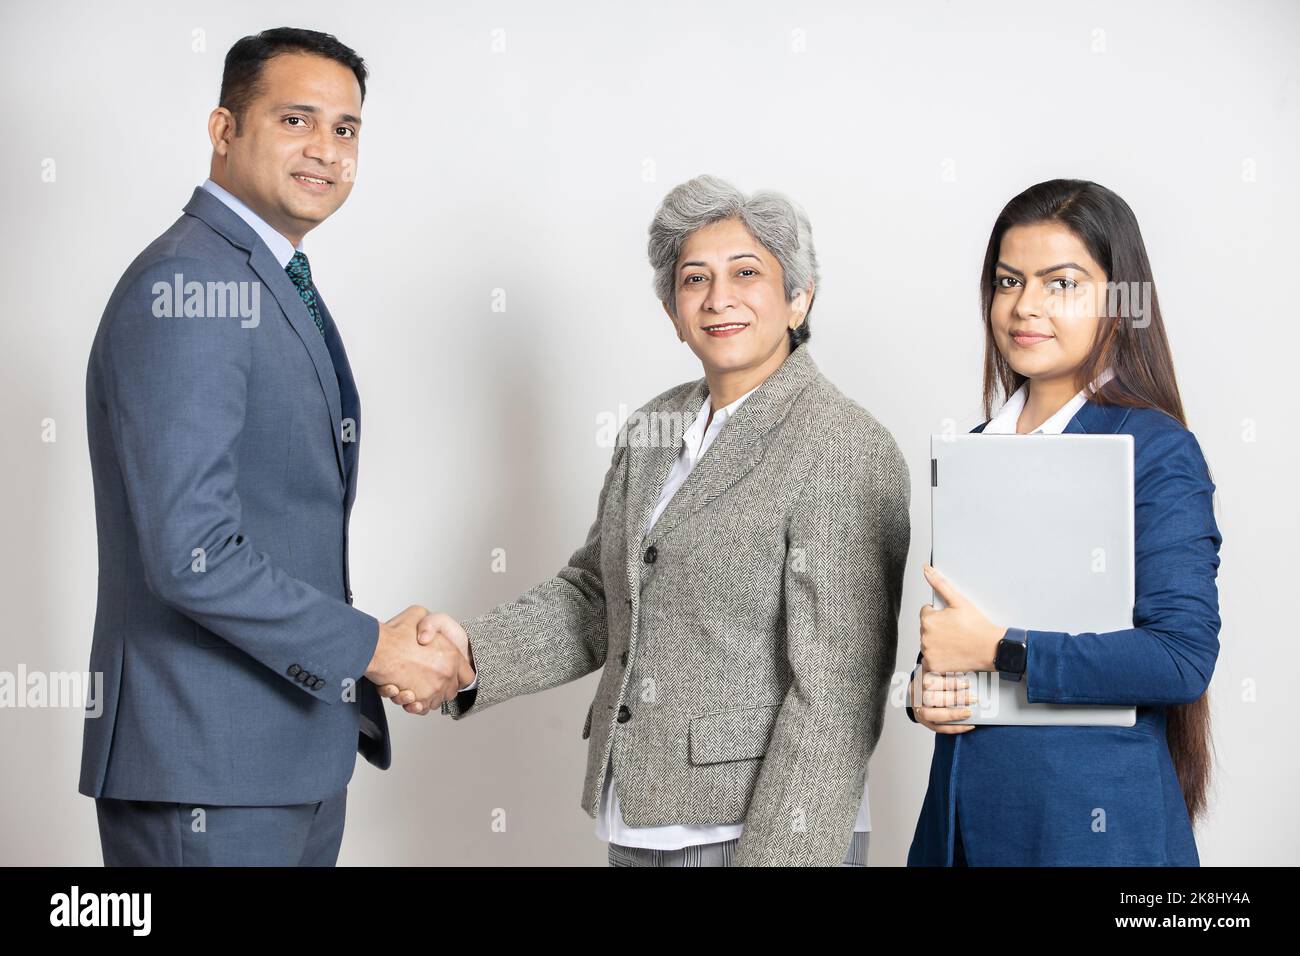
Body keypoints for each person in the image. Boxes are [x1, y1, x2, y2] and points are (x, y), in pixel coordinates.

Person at [383, 175, 910, 866]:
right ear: (672, 310)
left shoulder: (841, 444)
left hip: (759, 838)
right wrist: (467, 656)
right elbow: (599, 599)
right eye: (695, 279)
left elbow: (835, 696)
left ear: (798, 297)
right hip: (635, 824)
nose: (719, 298)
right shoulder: (655, 428)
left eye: (746, 273)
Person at [81, 27, 471, 867]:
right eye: (297, 120)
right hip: (206, 769)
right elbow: (193, 554)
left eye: (346, 129)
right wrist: (371, 647)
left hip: (286, 757)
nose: (326, 151)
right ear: (224, 129)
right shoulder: (190, 286)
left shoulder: (263, 273)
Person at [906, 179, 1222, 866]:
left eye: (1062, 284)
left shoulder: (1156, 448)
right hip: (959, 822)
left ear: (1119, 300)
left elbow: (1180, 659)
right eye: (1009, 280)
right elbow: (958, 633)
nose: (1026, 307)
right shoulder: (972, 447)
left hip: (1089, 832)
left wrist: (1001, 650)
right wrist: (923, 690)